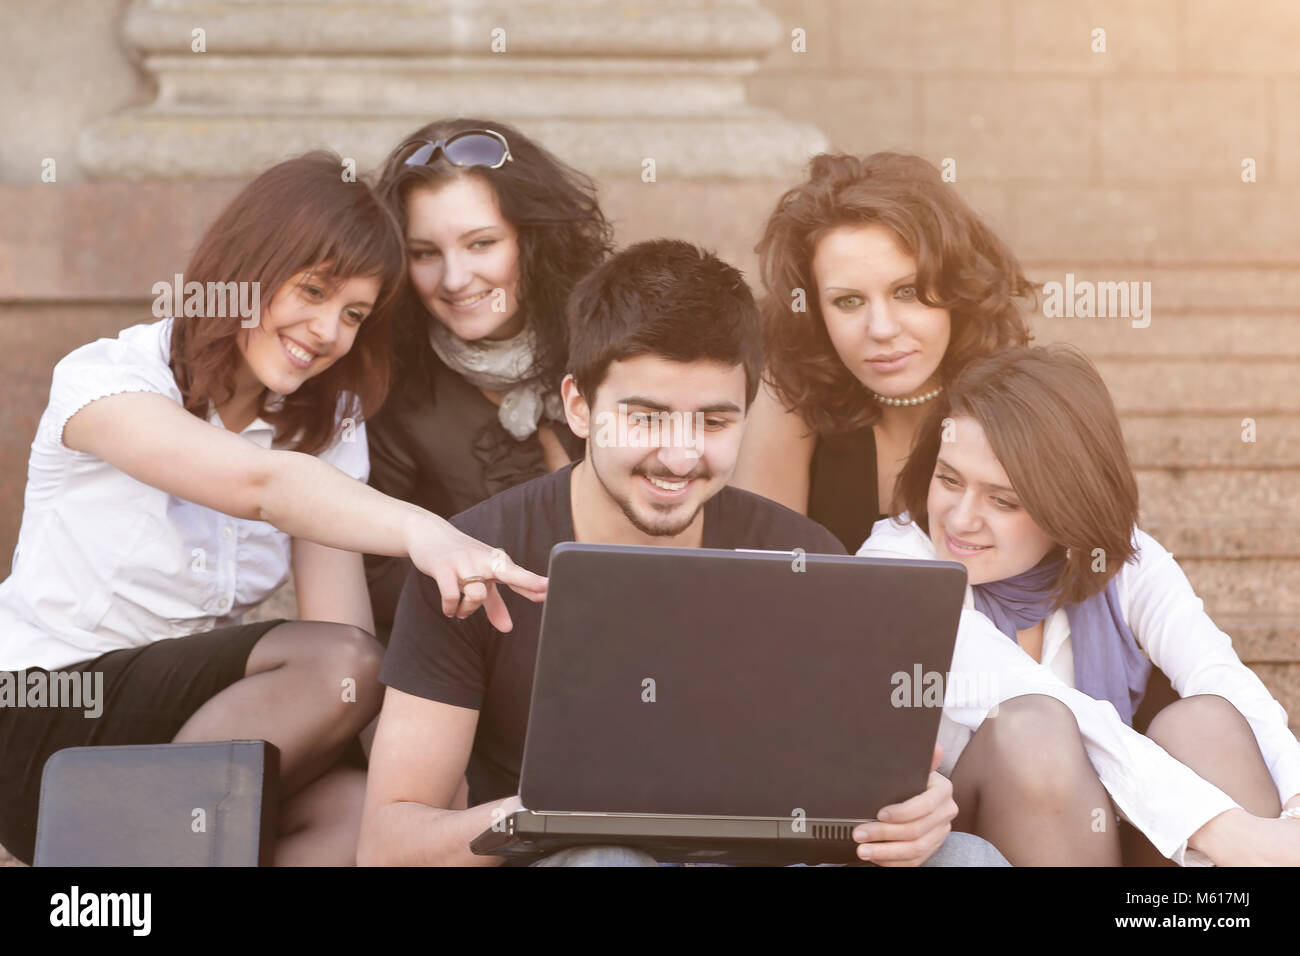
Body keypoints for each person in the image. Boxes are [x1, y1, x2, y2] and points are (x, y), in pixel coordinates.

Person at [358, 239, 1008, 867]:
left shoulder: (803, 555)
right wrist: (543, 815)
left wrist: (916, 813)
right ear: (579, 408)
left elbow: (864, 796)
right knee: (604, 857)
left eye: (714, 422)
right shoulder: (473, 562)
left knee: (966, 857)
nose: (679, 455)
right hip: (575, 860)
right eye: (646, 417)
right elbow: (388, 844)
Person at [0, 152, 546, 867]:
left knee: (362, 819)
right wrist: (424, 531)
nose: (327, 331)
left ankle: (129, 863)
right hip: (40, 715)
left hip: (181, 738)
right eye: (312, 291)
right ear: (247, 269)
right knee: (333, 667)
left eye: (353, 314)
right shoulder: (107, 382)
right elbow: (260, 485)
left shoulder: (328, 424)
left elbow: (346, 651)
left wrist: (428, 809)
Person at [858, 345, 1300, 866]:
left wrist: (1295, 807)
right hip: (983, 844)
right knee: (1033, 730)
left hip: (1125, 845)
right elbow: (1051, 705)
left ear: (1064, 505)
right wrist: (1224, 831)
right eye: (949, 479)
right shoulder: (898, 563)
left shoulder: (1120, 560)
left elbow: (1219, 673)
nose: (959, 519)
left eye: (1002, 500)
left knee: (1204, 722)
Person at [363, 118, 614, 640]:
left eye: (481, 244)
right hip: (473, 659)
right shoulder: (390, 383)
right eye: (425, 253)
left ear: (533, 240)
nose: (454, 279)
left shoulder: (612, 347)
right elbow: (373, 579)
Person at [732, 152, 1034, 552]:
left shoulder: (1015, 398)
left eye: (907, 292)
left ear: (955, 289)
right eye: (848, 302)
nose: (882, 330)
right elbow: (762, 573)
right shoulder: (791, 389)